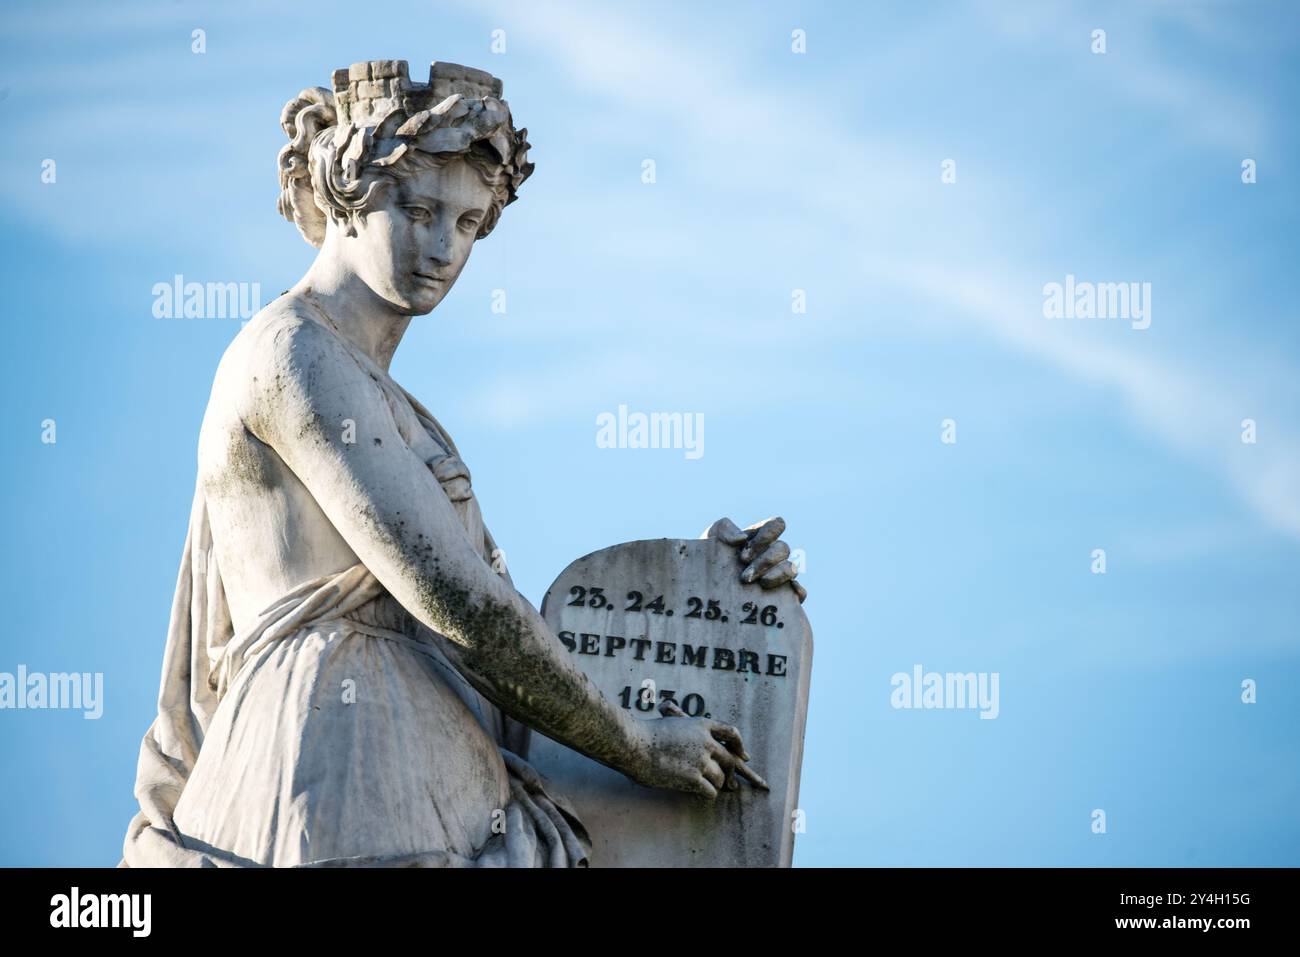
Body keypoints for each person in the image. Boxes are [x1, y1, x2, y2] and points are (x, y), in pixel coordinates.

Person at [122, 60, 804, 868]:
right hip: (338, 768)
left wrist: (696, 592)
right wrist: (636, 743)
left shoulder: (411, 417)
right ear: (347, 189)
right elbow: (460, 605)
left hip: (460, 789)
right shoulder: (292, 353)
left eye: (470, 223)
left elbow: (512, 657)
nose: (443, 247)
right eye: (417, 209)